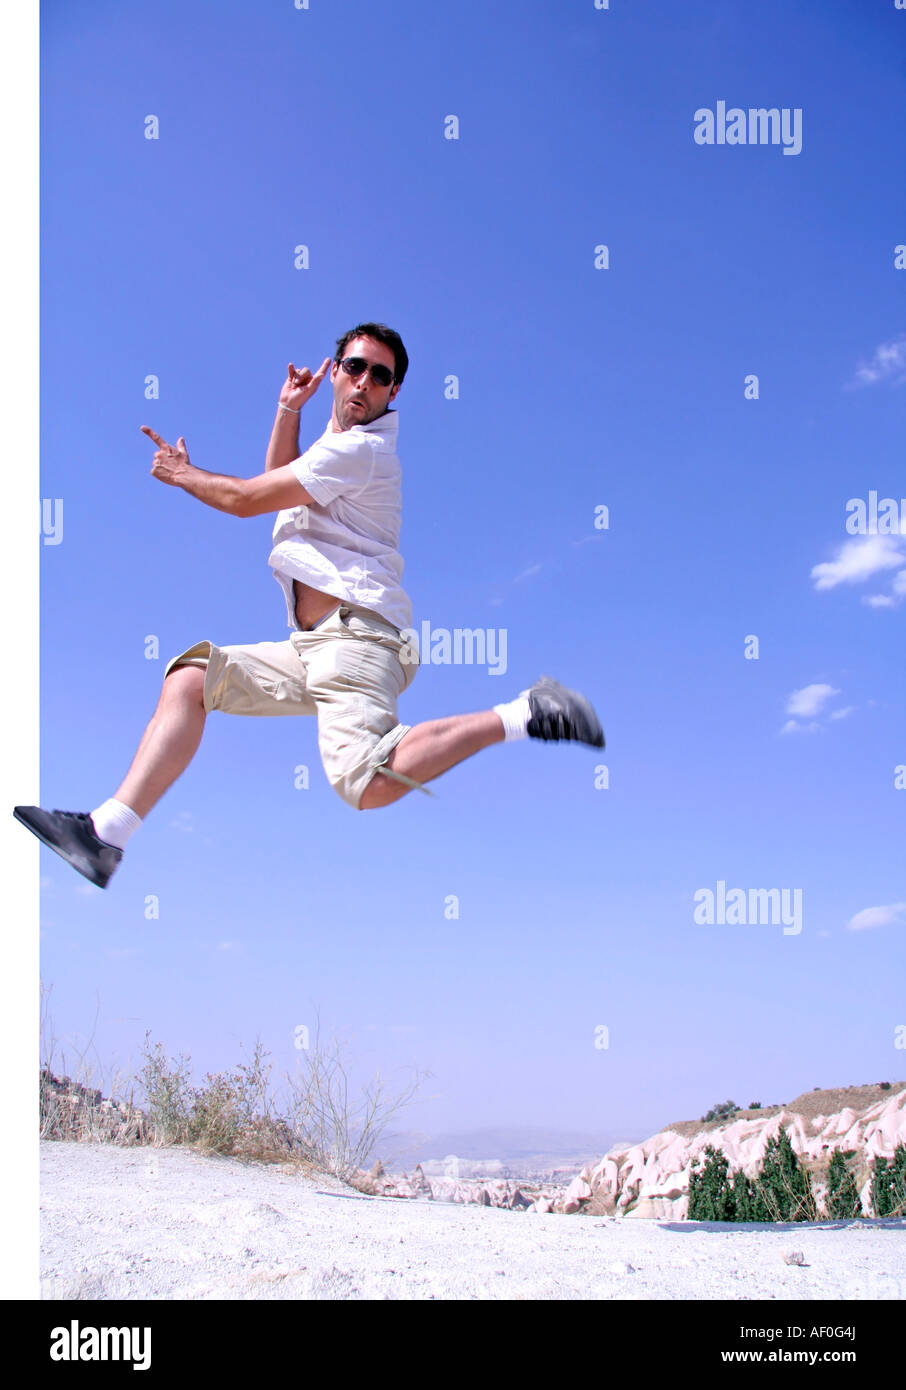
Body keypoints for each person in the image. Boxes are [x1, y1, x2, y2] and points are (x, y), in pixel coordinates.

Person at [14, 321, 604, 889]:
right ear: (338, 372)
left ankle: (526, 712)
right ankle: (104, 835)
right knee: (192, 678)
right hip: (314, 646)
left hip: (359, 637)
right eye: (355, 368)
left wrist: (183, 473)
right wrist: (289, 409)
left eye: (381, 375)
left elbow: (246, 499)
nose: (365, 382)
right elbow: (278, 491)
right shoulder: (334, 446)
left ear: (393, 391)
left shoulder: (364, 452)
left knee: (369, 782)